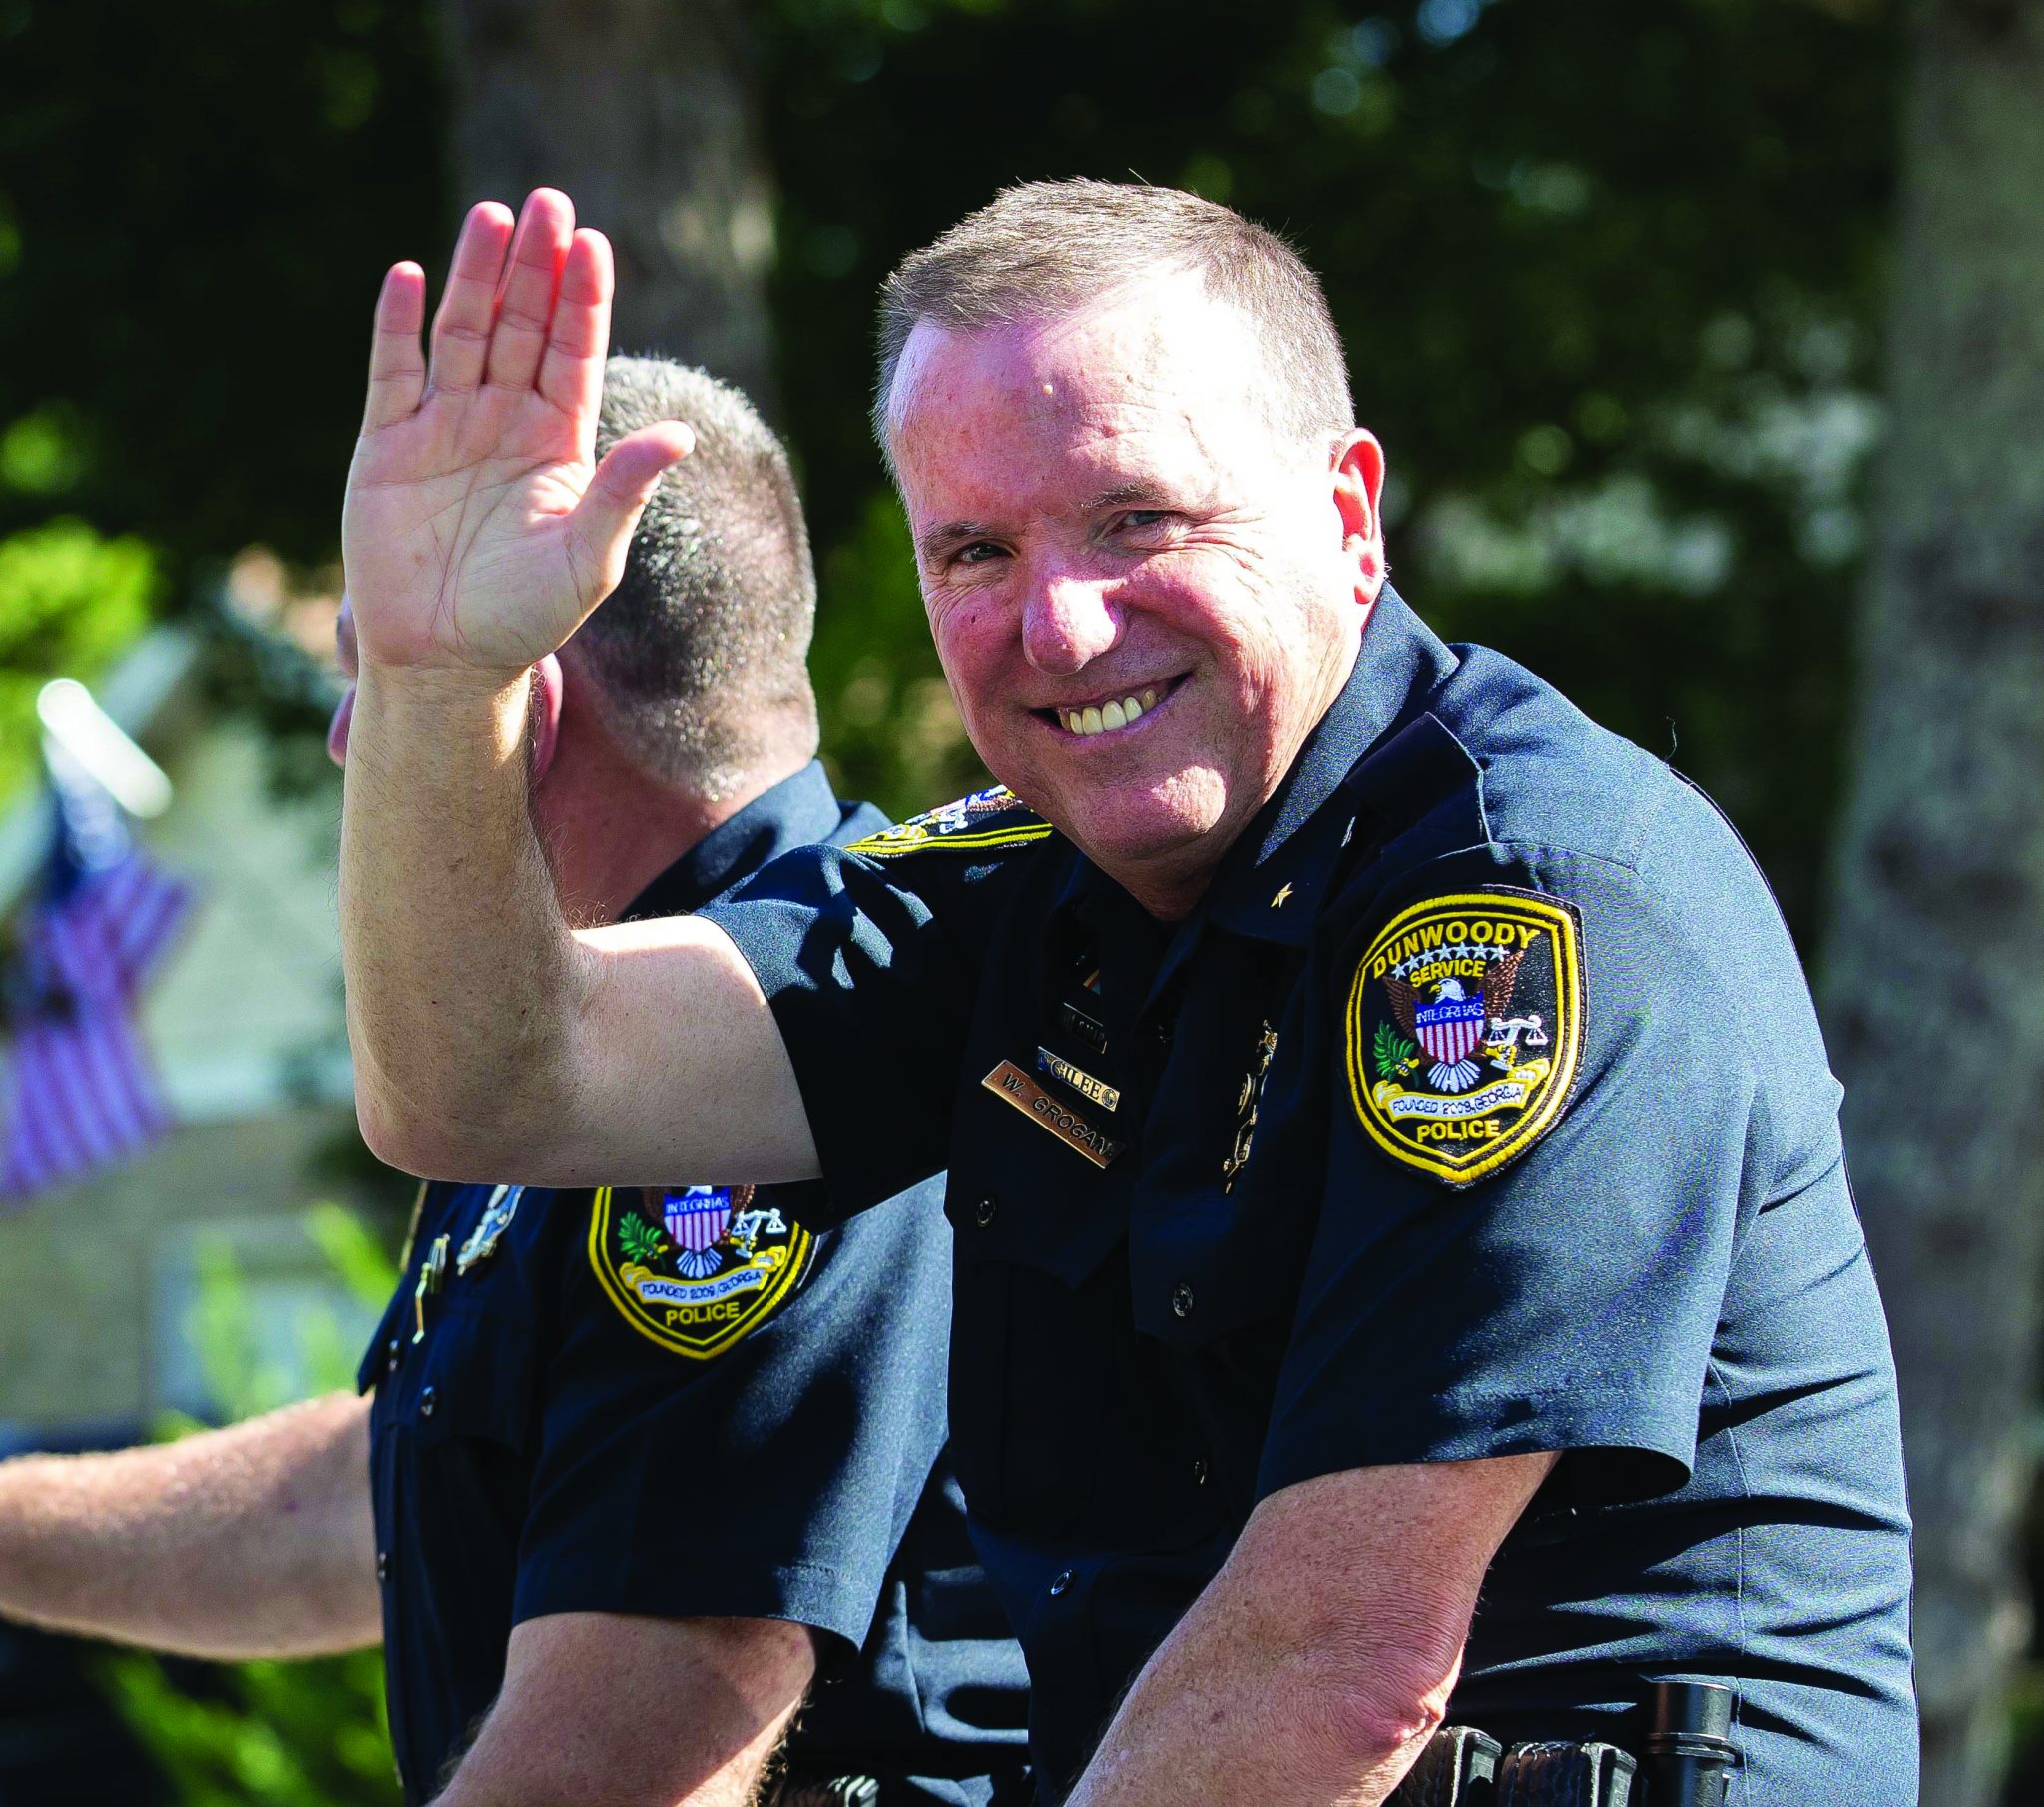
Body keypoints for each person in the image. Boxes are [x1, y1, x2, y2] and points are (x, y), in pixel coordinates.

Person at [333, 186, 1917, 1806]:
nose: (1060, 625)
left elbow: (1341, 1672)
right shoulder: (1039, 898)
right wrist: (439, 684)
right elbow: (484, 1088)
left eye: (1137, 520)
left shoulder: (1527, 903)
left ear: (1350, 516)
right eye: (976, 550)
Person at [0, 356, 1029, 1807]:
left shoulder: (776, 1079)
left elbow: (630, 1750)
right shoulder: (583, 1042)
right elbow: (380, 1494)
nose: (354, 736)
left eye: (383, 680)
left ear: (513, 709)